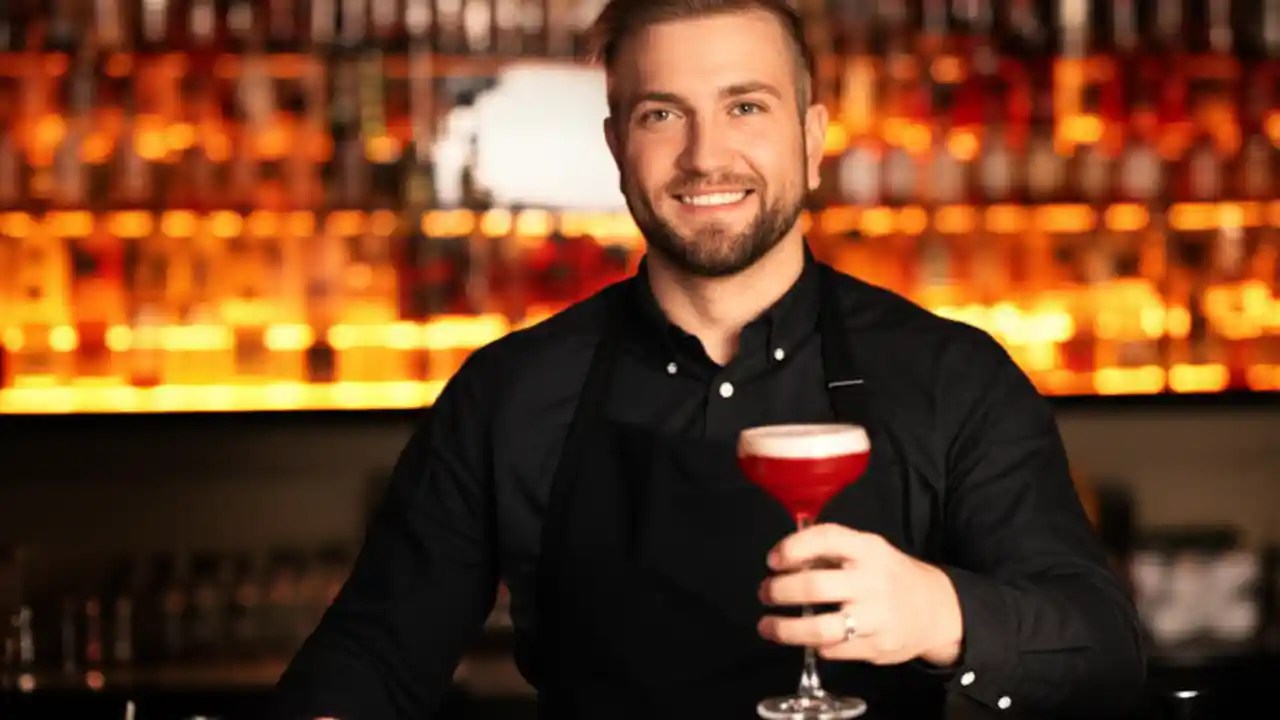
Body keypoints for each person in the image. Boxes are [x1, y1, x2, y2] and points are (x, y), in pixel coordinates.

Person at [271, 0, 1146, 717]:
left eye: (745, 106)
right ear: (617, 148)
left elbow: (1102, 651)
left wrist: (942, 611)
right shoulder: (511, 393)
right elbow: (375, 659)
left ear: (812, 138)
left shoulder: (953, 377)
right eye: (663, 114)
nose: (705, 156)